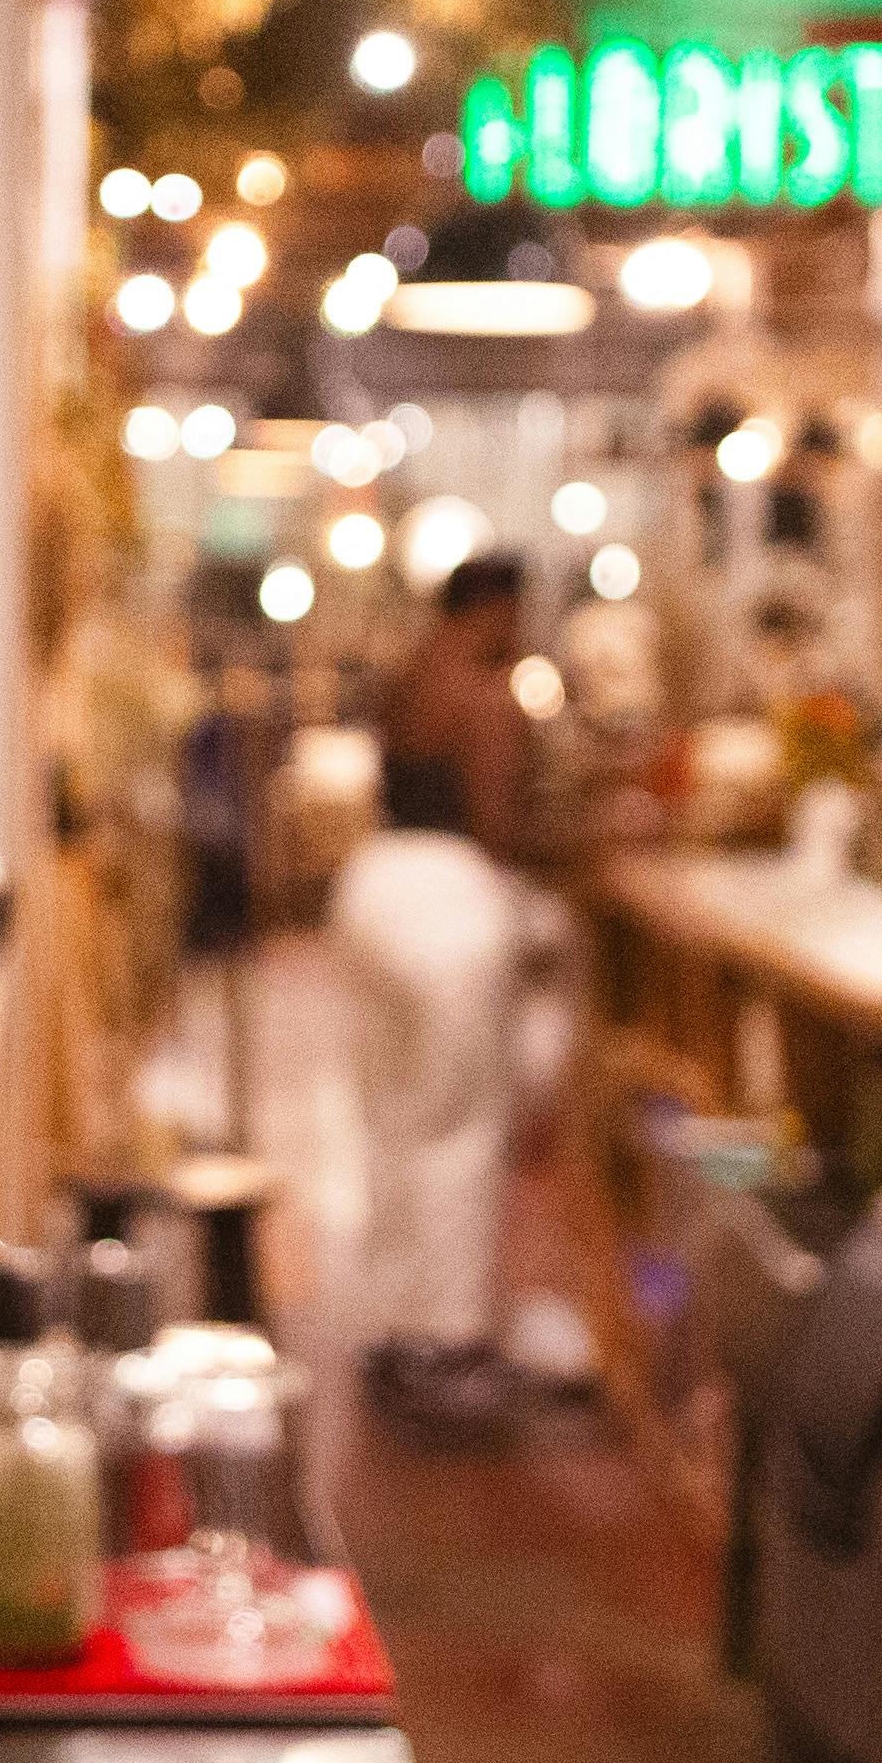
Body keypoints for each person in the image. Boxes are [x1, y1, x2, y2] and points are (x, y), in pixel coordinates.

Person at [334, 556, 537, 1419]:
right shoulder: (486, 694)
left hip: (373, 887)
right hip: (448, 901)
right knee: (459, 1124)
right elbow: (497, 821)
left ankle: (391, 1323)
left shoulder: (409, 672)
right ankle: (449, 1341)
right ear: (491, 607)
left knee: (390, 1119)